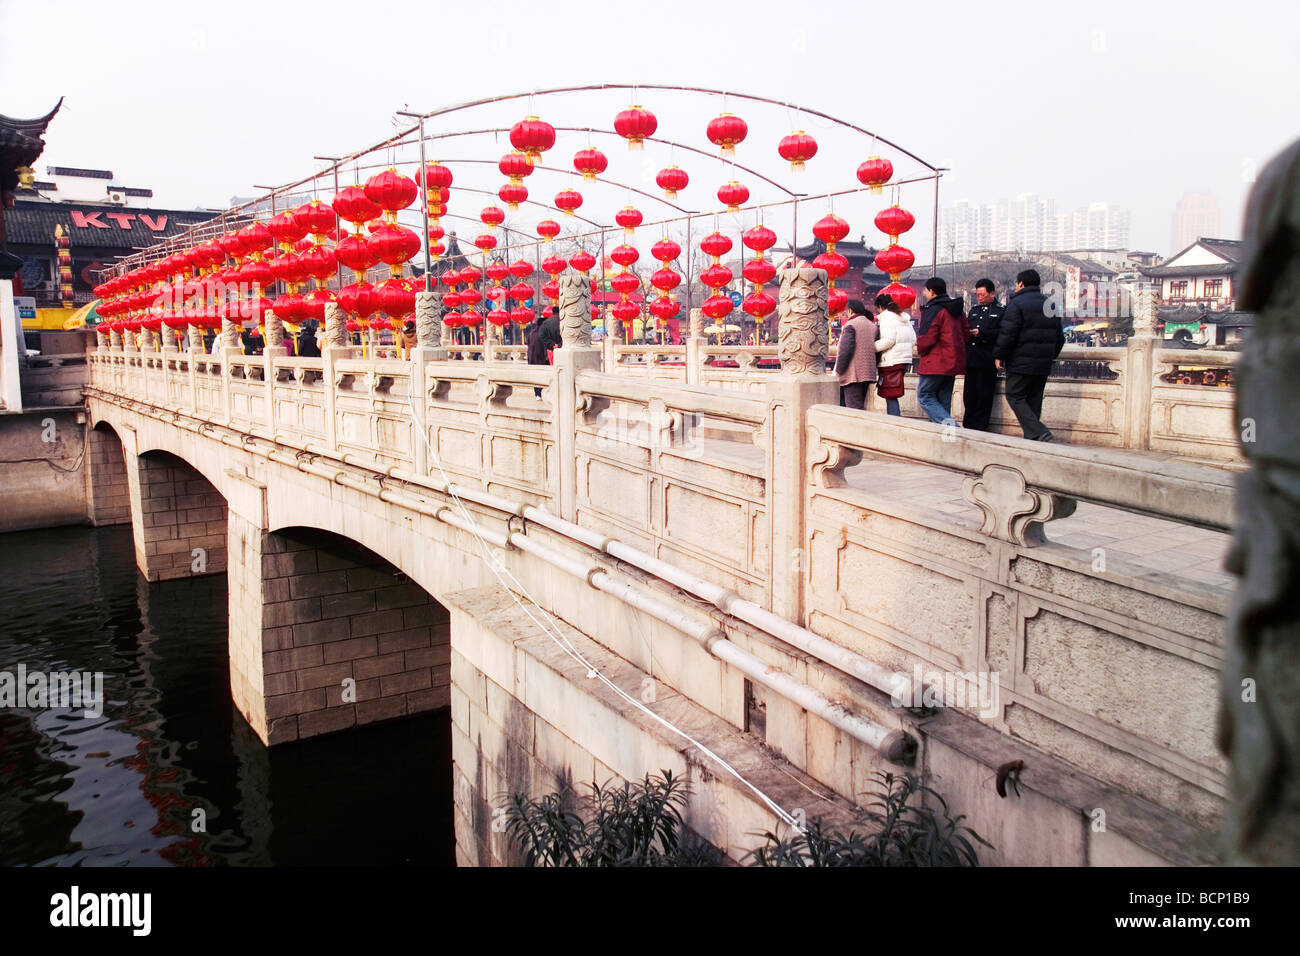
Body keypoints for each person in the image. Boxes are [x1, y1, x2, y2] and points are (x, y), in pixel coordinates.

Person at [994, 269, 1065, 442]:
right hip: (1043, 363)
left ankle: (1038, 431)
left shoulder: (1016, 304)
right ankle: (1033, 438)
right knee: (1034, 399)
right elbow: (1060, 337)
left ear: (1020, 283)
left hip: (1020, 361)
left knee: (1014, 395)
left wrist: (999, 355)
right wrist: (1050, 356)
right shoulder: (1050, 304)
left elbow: (1008, 334)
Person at [914, 277, 969, 425]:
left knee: (924, 396)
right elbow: (966, 333)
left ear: (932, 291)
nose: (925, 293)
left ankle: (952, 427)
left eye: (925, 290)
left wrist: (920, 348)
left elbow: (927, 336)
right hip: (953, 360)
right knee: (943, 400)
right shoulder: (957, 310)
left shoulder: (933, 309)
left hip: (936, 361)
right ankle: (945, 438)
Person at [963, 278, 1004, 431]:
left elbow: (1002, 333)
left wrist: (982, 333)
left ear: (992, 293)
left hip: (987, 359)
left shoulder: (1001, 311)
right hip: (972, 357)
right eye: (978, 295)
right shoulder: (974, 310)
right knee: (969, 394)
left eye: (983, 295)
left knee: (984, 394)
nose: (980, 298)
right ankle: (968, 423)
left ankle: (980, 426)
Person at [872, 293, 916, 416]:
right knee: (892, 393)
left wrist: (871, 347)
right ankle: (895, 418)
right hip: (904, 361)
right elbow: (913, 340)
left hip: (891, 361)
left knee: (890, 394)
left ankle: (894, 420)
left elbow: (888, 340)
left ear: (880, 307)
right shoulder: (903, 317)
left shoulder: (887, 318)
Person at [833, 300, 878, 410]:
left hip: (853, 373)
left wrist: (839, 370)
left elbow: (845, 350)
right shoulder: (872, 326)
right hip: (868, 372)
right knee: (859, 405)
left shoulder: (850, 325)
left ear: (850, 311)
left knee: (853, 408)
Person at [527, 306, 563, 397]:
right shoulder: (563, 322)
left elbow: (541, 337)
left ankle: (539, 394)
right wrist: (558, 344)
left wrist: (551, 345)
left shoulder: (544, 325)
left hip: (544, 354)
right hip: (560, 351)